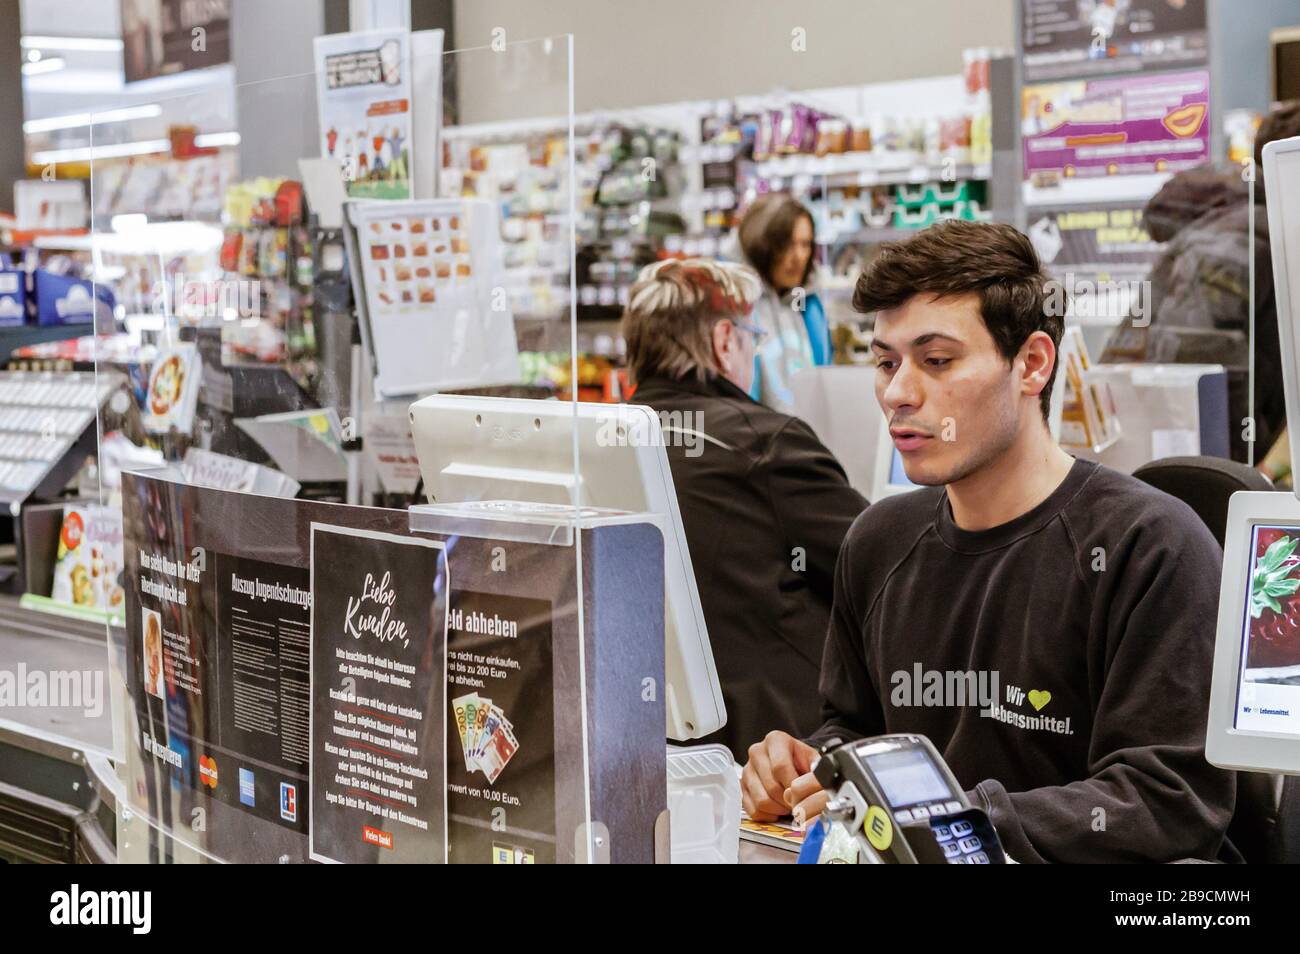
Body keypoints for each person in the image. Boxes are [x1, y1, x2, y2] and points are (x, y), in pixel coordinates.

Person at [742, 220, 1238, 863]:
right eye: (886, 362)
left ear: (1031, 364)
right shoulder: (878, 542)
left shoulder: (1150, 547)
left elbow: (1167, 799)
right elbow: (856, 728)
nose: (897, 393)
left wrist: (954, 824)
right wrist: (816, 766)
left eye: (937, 361)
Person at [621, 258, 868, 759]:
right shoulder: (766, 445)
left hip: (642, 744)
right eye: (752, 338)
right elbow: (878, 567)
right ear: (724, 341)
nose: (754, 353)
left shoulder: (605, 440)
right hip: (774, 753)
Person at [1103, 100, 1300, 463]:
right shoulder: (1246, 234)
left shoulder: (1262, 225)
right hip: (1178, 455)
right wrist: (1243, 468)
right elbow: (1194, 352)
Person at [736, 193, 832, 414]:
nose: (798, 256)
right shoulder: (739, 306)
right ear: (761, 245)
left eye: (805, 244)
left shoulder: (810, 305)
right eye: (786, 245)